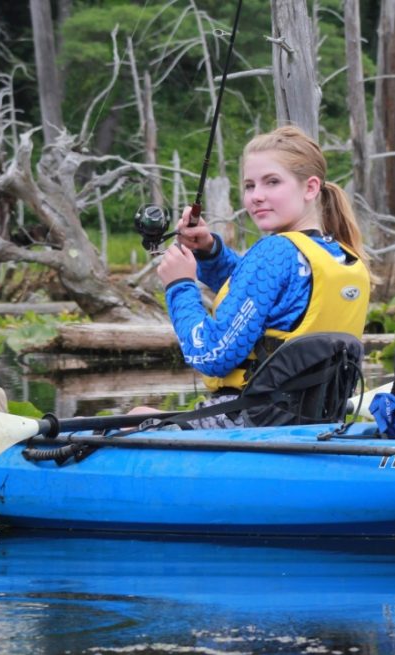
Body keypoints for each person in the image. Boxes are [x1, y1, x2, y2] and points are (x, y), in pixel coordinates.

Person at [139, 125, 371, 429]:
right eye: (249, 186)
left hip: (256, 420)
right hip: (318, 421)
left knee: (135, 418)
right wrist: (210, 252)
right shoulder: (341, 254)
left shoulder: (275, 251)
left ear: (310, 188)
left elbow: (210, 354)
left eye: (272, 182)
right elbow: (268, 294)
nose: (257, 196)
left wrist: (179, 285)